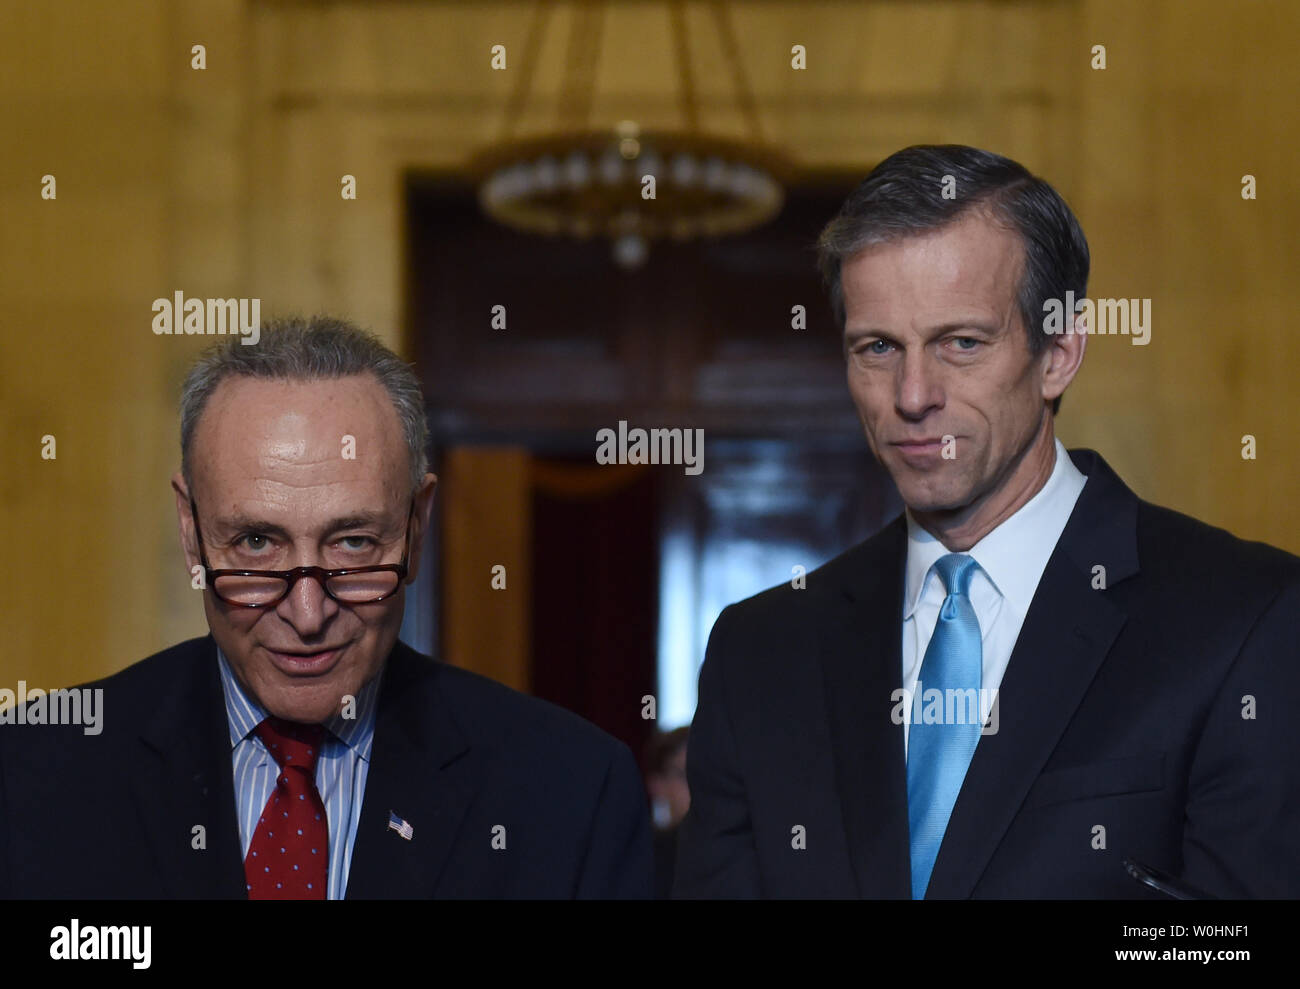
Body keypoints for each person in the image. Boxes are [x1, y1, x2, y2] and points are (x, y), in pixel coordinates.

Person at [674, 145, 1300, 899]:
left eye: (961, 343)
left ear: (1059, 353)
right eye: (878, 348)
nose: (912, 395)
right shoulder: (760, 654)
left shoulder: (1244, 620)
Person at [0, 316, 652, 899]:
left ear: (417, 525)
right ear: (190, 526)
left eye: (354, 542)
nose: (308, 613)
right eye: (257, 543)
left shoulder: (569, 794)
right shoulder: (32, 777)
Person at [645, 726, 690, 898]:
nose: (696, 787)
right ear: (657, 784)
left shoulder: (730, 850)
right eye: (684, 775)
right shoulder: (645, 856)